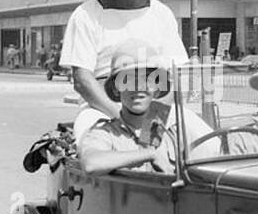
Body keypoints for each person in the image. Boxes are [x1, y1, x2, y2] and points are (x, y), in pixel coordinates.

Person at [59, 0, 189, 142]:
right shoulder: (86, 14)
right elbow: (82, 80)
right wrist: (120, 117)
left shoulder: (161, 13)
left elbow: (175, 73)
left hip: (153, 106)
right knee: (91, 144)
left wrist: (152, 118)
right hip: (102, 108)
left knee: (199, 140)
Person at [78, 42, 210, 176]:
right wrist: (150, 154)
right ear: (116, 89)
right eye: (128, 80)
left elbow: (209, 170)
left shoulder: (175, 133)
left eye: (147, 80)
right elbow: (91, 164)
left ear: (158, 89)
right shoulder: (106, 133)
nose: (138, 87)